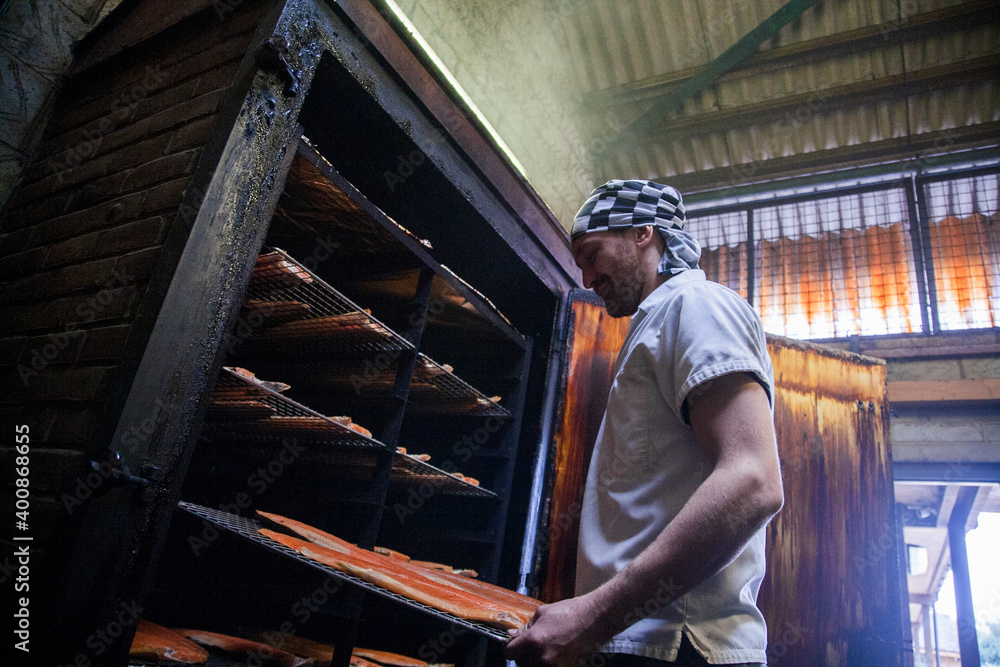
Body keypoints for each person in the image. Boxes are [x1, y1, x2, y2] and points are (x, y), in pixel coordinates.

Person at [505, 180, 784, 667]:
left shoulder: (695, 305)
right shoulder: (657, 321)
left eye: (592, 254)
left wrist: (591, 616)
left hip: (676, 645)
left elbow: (753, 482)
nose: (588, 277)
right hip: (647, 641)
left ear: (642, 233)